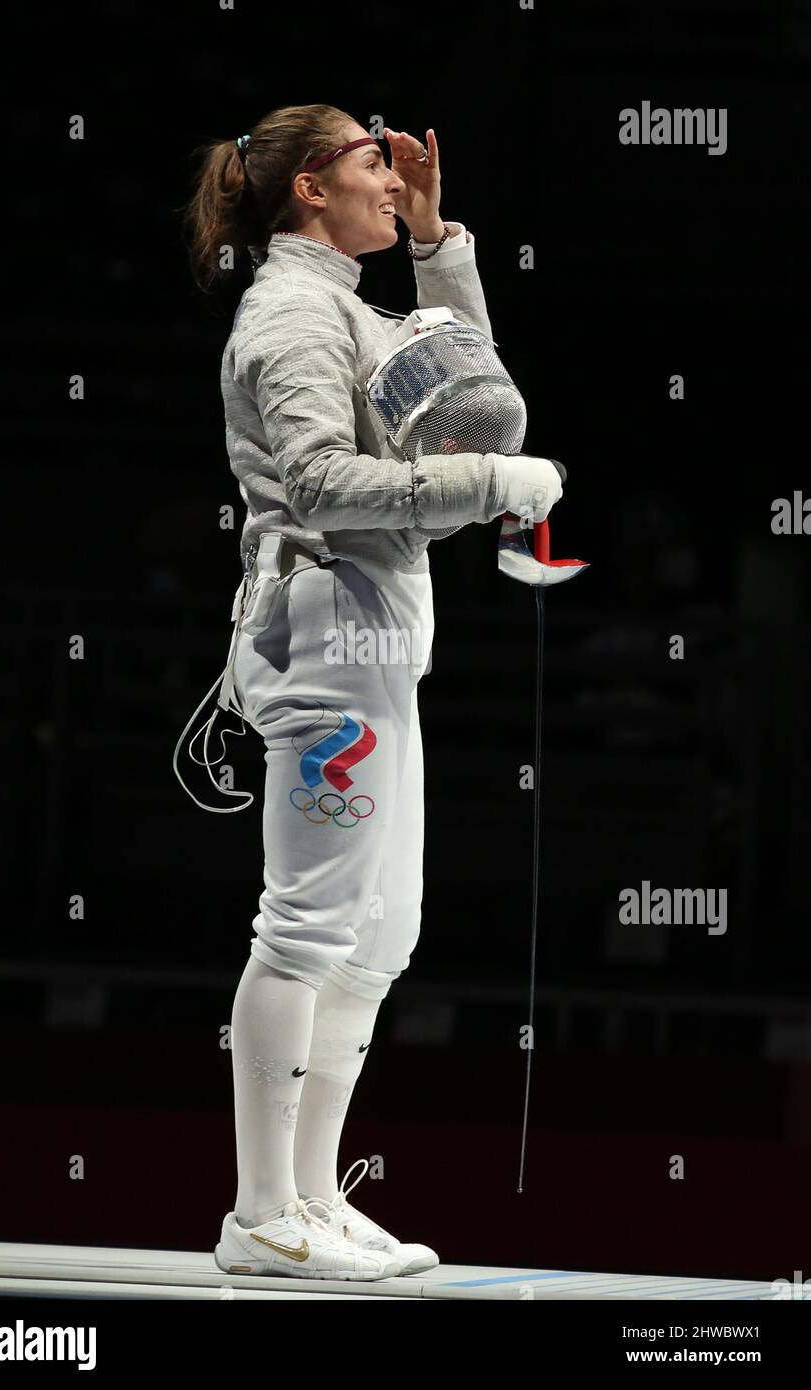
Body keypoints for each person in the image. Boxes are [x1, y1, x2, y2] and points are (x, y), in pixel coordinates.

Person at [182, 103, 564, 1283]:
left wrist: (438, 242)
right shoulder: (292, 314)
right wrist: (495, 481)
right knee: (303, 926)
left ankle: (310, 1193)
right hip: (321, 644)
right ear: (307, 188)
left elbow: (468, 400)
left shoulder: (351, 304)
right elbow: (319, 479)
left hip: (380, 642)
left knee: (376, 935)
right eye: (369, 159)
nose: (391, 176)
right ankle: (258, 1210)